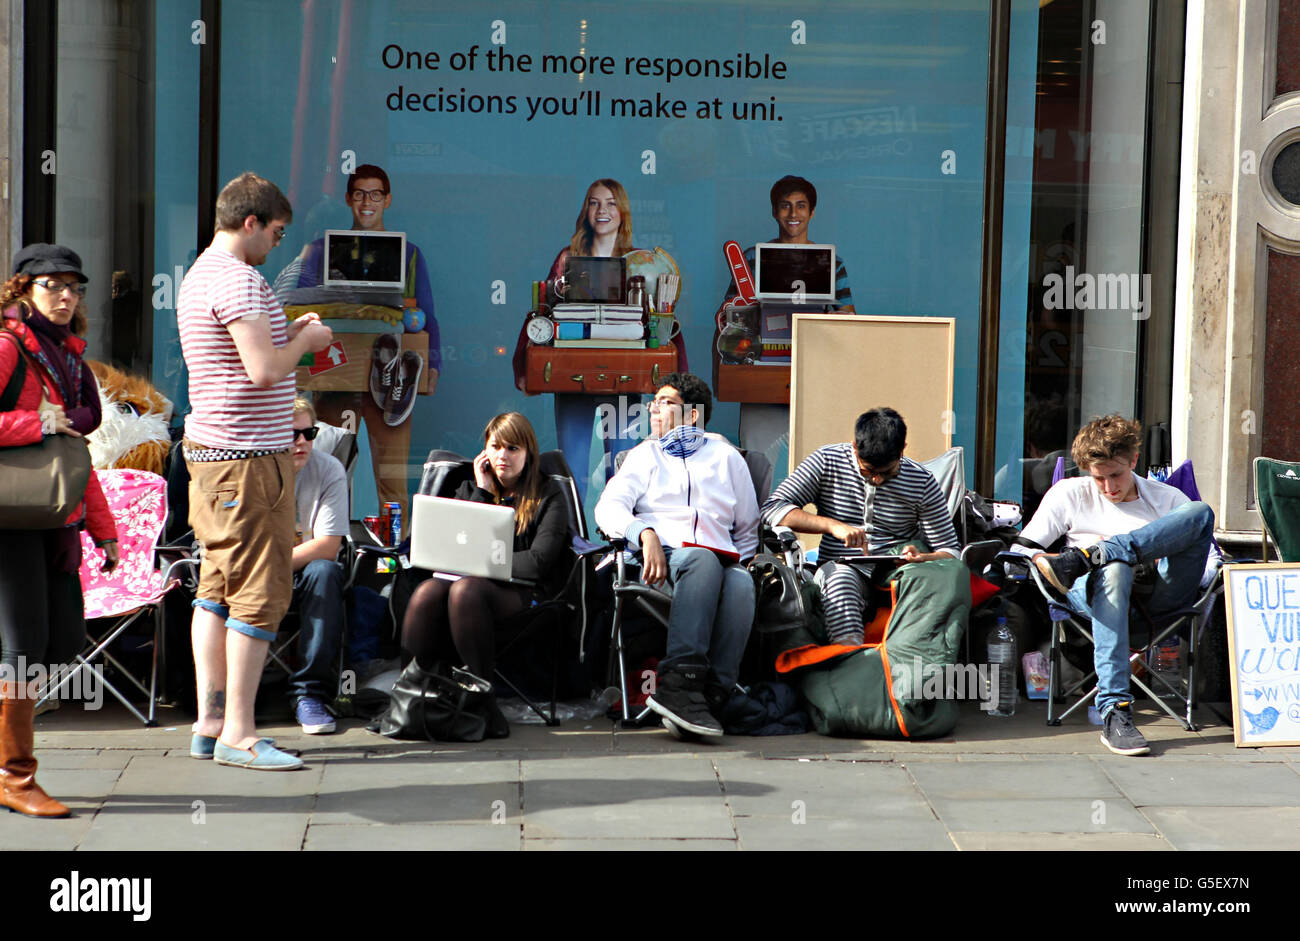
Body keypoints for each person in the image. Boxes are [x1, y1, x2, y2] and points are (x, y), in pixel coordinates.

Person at [178, 172, 333, 771]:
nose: (278, 244)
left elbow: (245, 359)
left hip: (214, 459)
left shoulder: (200, 277)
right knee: (259, 595)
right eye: (276, 232)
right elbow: (265, 372)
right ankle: (239, 735)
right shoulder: (241, 280)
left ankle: (209, 722)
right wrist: (309, 339)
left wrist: (286, 334)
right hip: (247, 462)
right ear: (251, 223)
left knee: (215, 590)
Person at [0, 244, 118, 817]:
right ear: (22, 289)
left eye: (74, 285)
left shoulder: (70, 360)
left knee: (54, 645)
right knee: (20, 651)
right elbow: (45, 434)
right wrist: (36, 421)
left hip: (51, 516)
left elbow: (73, 455)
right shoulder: (7, 347)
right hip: (8, 520)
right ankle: (14, 777)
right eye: (52, 285)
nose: (66, 296)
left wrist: (103, 527)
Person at [1020, 415, 1216, 757]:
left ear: (1134, 461)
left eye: (1116, 475)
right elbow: (1021, 550)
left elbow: (1210, 563)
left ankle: (1097, 554)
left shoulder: (1166, 498)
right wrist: (1042, 561)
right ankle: (1115, 710)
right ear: (1085, 470)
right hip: (1096, 598)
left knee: (1199, 512)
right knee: (1114, 570)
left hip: (1158, 598)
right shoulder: (1069, 493)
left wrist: (1154, 554)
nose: (1109, 487)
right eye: (1099, 478)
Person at [277, 163, 440, 533]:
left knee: (392, 478)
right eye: (361, 194)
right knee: (324, 470)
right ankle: (323, 553)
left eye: (376, 194)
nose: (368, 202)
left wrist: (433, 365)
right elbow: (292, 306)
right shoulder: (320, 251)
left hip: (393, 378)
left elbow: (427, 315)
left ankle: (392, 559)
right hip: (334, 375)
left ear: (388, 200)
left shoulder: (409, 254)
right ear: (349, 199)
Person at [595, 372, 759, 738]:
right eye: (653, 402)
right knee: (701, 560)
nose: (654, 408)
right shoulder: (644, 455)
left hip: (716, 563)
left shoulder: (728, 458)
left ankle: (715, 694)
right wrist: (644, 532)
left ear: (693, 415)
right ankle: (679, 687)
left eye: (665, 402)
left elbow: (748, 527)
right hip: (661, 562)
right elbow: (608, 509)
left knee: (741, 582)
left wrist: (741, 562)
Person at [512, 178, 689, 501]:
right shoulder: (567, 258)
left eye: (610, 203)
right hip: (573, 368)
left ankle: (618, 541)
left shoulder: (641, 261)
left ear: (622, 212)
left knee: (622, 467)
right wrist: (525, 363)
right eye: (594, 202)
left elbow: (662, 321)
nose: (602, 210)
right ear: (586, 211)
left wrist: (675, 377)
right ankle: (574, 542)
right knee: (572, 467)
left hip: (626, 372)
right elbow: (543, 311)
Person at [400, 412, 571, 737]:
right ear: (485, 452)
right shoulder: (467, 488)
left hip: (525, 595)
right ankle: (410, 695)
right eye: (496, 447)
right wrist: (482, 491)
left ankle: (483, 701)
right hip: (463, 590)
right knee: (427, 592)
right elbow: (444, 547)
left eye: (513, 448)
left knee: (466, 590)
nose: (502, 456)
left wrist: (479, 563)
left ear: (528, 453)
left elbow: (538, 561)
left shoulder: (548, 495)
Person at [761, 407, 960, 647]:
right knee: (838, 578)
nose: (876, 479)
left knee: (938, 581)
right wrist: (833, 526)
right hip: (843, 567)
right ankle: (849, 656)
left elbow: (950, 551)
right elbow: (771, 509)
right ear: (854, 447)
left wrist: (923, 557)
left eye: (887, 473)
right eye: (868, 471)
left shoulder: (922, 481)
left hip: (898, 577)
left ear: (902, 451)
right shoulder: (827, 461)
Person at [720, 175, 856, 467]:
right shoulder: (752, 260)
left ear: (812, 212)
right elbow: (731, 314)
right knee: (758, 462)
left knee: (815, 462)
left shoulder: (832, 262)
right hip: (762, 371)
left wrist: (830, 320)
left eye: (801, 206)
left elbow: (848, 319)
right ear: (774, 211)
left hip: (814, 372)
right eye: (785, 206)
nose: (793, 214)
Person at [286, 395, 349, 735]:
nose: (301, 442)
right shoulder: (254, 467)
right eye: (292, 434)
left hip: (296, 569)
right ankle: (220, 697)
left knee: (325, 572)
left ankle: (309, 694)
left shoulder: (327, 468)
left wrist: (273, 565)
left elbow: (327, 545)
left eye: (309, 434)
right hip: (253, 571)